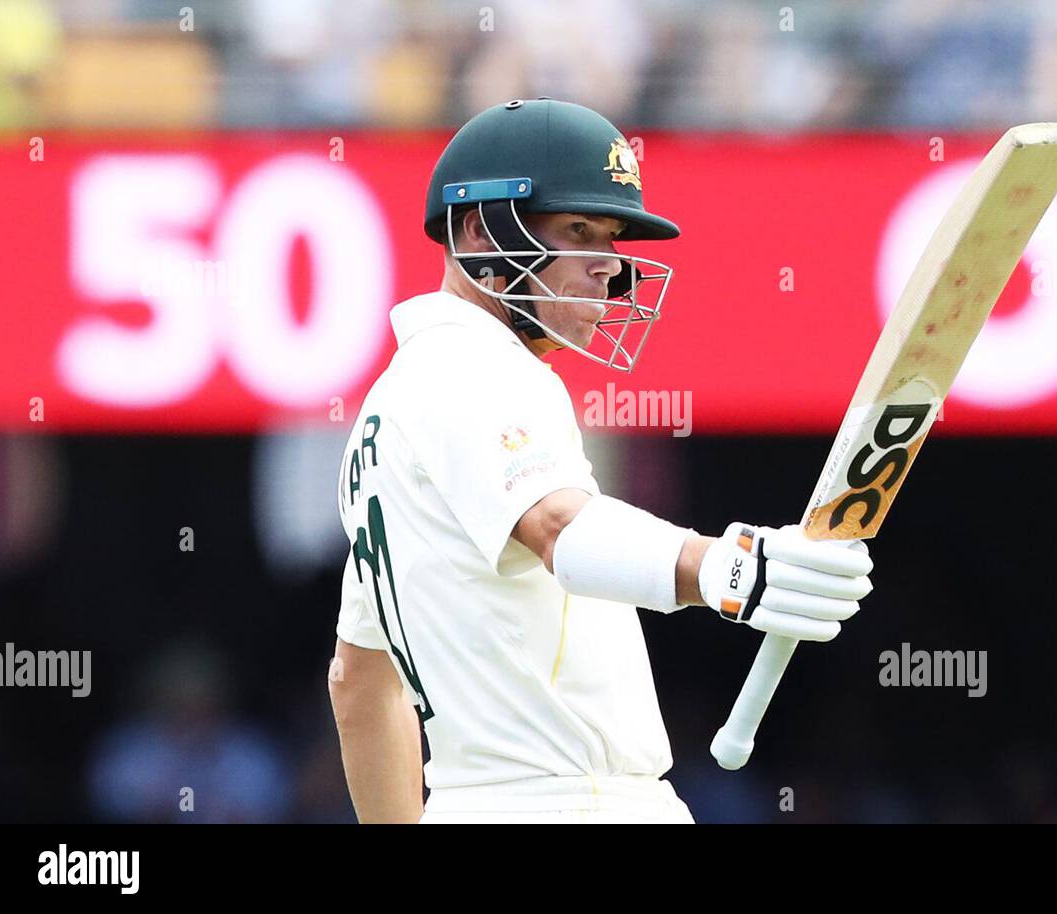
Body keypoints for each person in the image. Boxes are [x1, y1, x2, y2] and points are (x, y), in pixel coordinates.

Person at [327, 98, 874, 823]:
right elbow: (558, 529)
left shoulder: (385, 417)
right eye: (579, 231)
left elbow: (356, 681)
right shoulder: (468, 366)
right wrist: (731, 568)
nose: (609, 268)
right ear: (478, 230)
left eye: (612, 238)